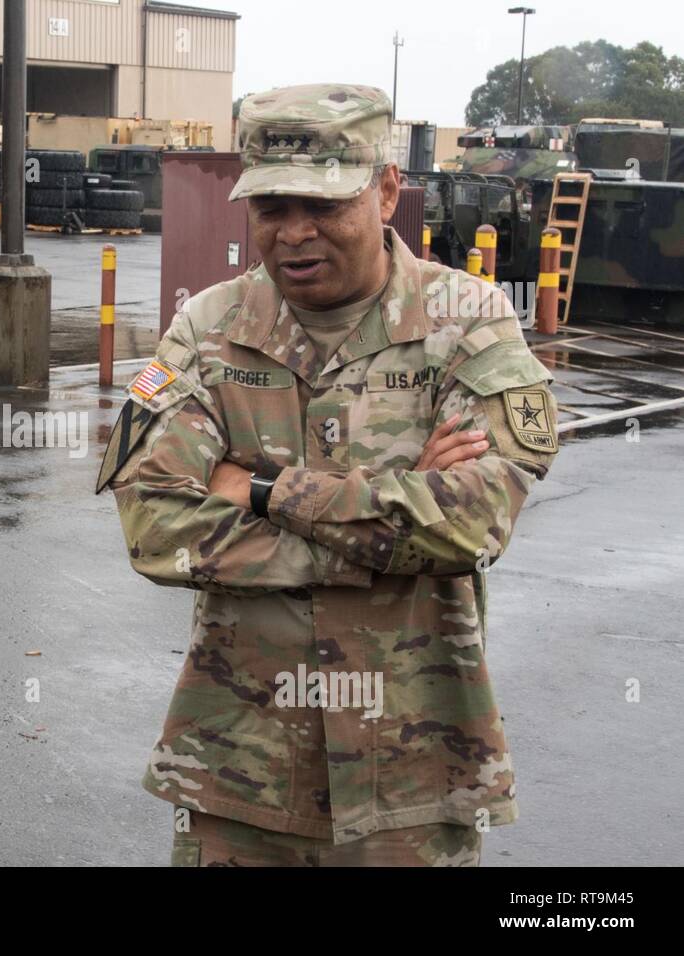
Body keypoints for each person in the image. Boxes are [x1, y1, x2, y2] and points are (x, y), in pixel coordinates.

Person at [97, 84, 560, 866]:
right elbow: (154, 527)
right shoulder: (206, 331)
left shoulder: (469, 322)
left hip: (416, 765)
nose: (295, 234)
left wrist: (266, 492)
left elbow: (475, 521)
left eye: (325, 205)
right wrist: (392, 521)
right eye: (272, 207)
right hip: (241, 767)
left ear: (384, 191)